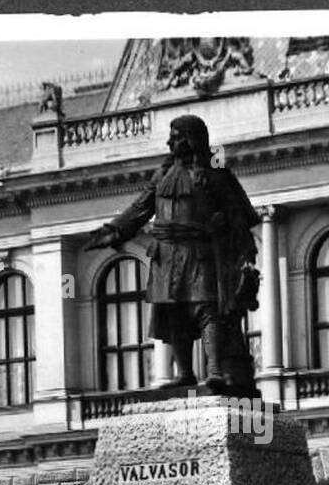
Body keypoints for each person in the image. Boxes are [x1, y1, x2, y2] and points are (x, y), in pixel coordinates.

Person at [85, 114, 260, 395]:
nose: (170, 142)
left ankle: (214, 371)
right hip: (166, 254)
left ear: (192, 139)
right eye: (171, 136)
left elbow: (239, 215)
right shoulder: (163, 175)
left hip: (200, 251)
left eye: (177, 137)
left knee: (207, 310)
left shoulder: (216, 174)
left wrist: (241, 247)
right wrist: (112, 232)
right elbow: (139, 209)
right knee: (174, 312)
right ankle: (186, 373)